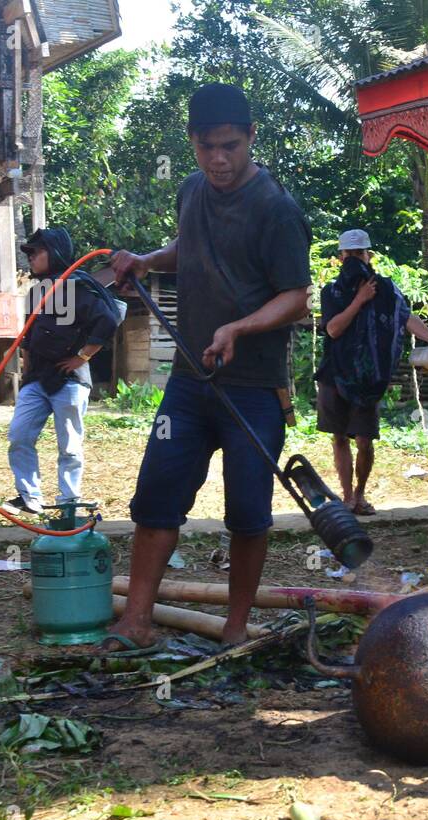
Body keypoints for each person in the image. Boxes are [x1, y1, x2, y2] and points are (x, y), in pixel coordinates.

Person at [107, 83, 312, 649]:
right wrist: (147, 261)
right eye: (206, 147)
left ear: (250, 139)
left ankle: (237, 627)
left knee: (248, 512)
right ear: (192, 144)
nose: (218, 160)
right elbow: (189, 245)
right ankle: (137, 620)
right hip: (189, 385)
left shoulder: (277, 209)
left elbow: (296, 296)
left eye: (229, 146)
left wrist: (238, 329)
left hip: (252, 389)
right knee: (156, 497)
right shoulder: (192, 190)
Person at [316, 229, 428, 515]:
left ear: (369, 256)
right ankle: (348, 496)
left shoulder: (387, 289)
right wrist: (359, 300)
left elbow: (405, 317)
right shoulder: (332, 291)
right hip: (335, 374)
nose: (354, 260)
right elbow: (334, 329)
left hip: (369, 379)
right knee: (338, 436)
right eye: (348, 255)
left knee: (364, 439)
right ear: (340, 258)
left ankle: (360, 495)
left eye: (359, 254)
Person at [4, 227, 122, 515]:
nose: (31, 258)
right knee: (19, 436)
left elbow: (107, 320)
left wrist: (81, 358)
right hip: (37, 380)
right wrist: (27, 370)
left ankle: (69, 502)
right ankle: (29, 497)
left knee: (69, 447)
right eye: (29, 253)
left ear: (54, 252)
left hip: (70, 381)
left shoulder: (78, 287)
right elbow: (28, 338)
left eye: (36, 252)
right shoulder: (36, 293)